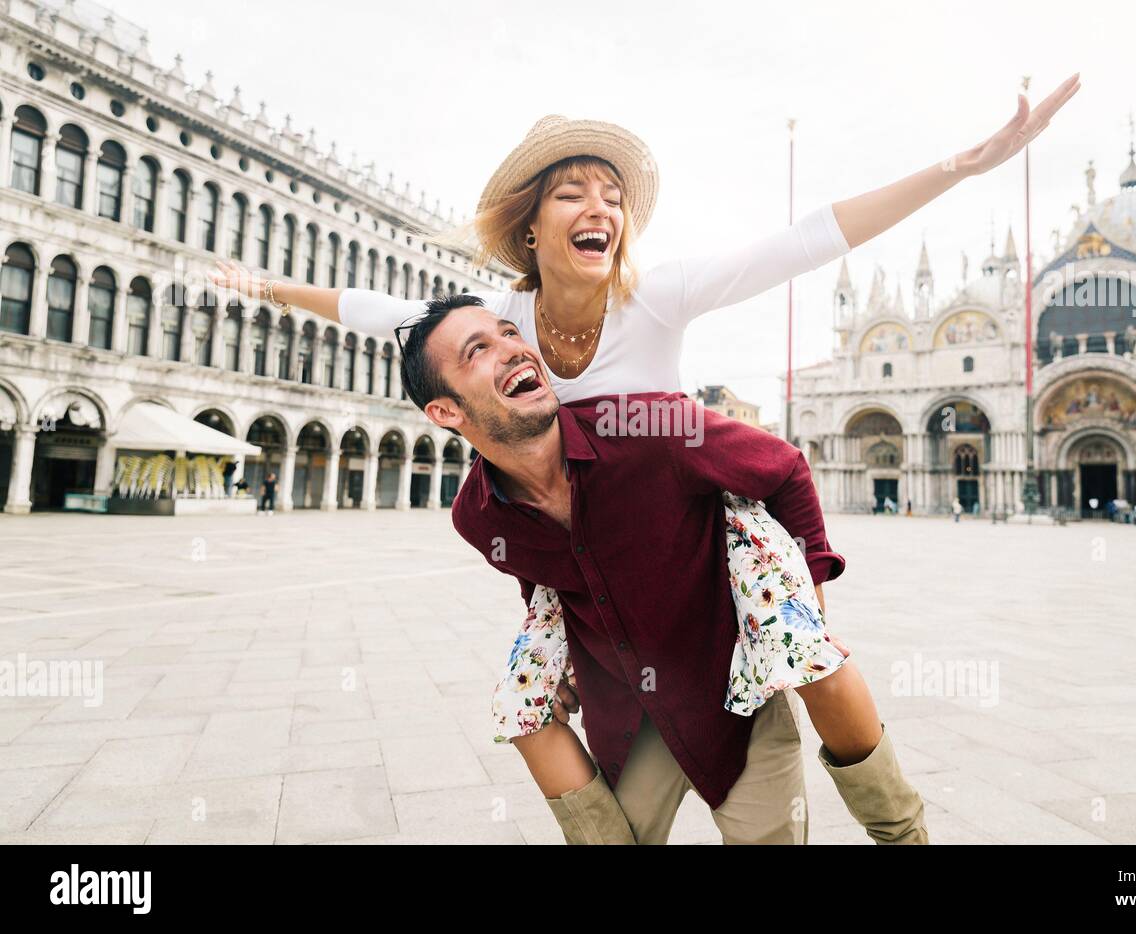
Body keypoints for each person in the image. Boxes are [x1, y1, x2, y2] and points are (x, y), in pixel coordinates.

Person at [208, 81, 1079, 840]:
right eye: (573, 193)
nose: (602, 208)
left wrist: (956, 169)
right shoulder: (503, 316)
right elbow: (374, 308)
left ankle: (901, 826)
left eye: (613, 195)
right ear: (531, 224)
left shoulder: (656, 298)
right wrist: (257, 287)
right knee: (528, 695)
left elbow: (808, 239)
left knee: (808, 651)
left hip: (698, 516)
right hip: (580, 539)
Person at [401, 293, 929, 844]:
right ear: (445, 411)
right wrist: (563, 671)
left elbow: (785, 470)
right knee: (524, 707)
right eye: (477, 350)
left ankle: (904, 835)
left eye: (511, 332)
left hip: (735, 698)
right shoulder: (477, 516)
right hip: (627, 718)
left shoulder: (647, 425)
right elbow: (540, 583)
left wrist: (808, 612)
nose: (513, 349)